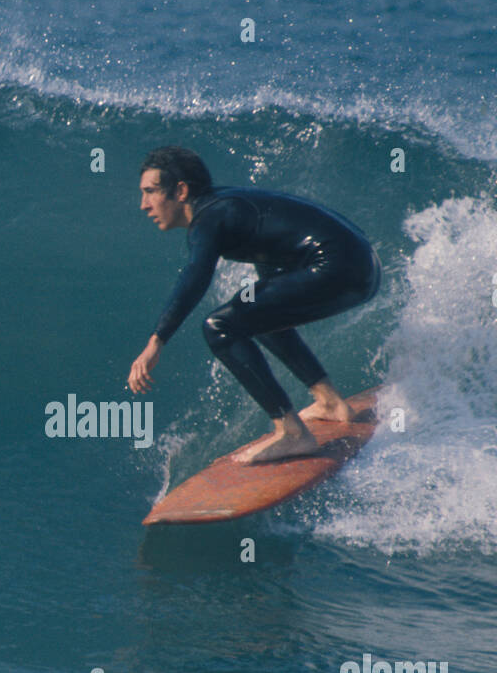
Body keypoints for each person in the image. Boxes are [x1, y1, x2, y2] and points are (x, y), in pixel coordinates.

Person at [128, 146, 381, 464]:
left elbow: (195, 276)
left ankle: (292, 433)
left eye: (150, 192)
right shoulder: (225, 207)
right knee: (252, 311)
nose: (143, 204)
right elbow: (277, 252)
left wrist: (157, 340)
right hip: (359, 265)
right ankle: (329, 402)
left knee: (220, 326)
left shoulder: (209, 218)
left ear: (180, 191)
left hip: (338, 265)